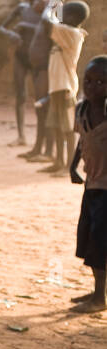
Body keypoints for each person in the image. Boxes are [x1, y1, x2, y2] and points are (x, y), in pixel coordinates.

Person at [70, 56, 107, 313]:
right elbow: (82, 139)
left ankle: (99, 298)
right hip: (92, 185)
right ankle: (97, 291)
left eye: (100, 82)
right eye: (88, 81)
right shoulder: (82, 110)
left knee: (100, 242)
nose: (92, 86)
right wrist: (72, 165)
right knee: (88, 238)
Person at [0, 0, 50, 147]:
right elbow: (1, 27)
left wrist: (25, 26)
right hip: (21, 56)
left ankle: (41, 140)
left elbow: (52, 31)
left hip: (38, 60)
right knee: (20, 95)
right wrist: (10, 34)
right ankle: (21, 136)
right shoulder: (22, 8)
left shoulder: (47, 11)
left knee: (40, 100)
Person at [41, 0, 89, 174]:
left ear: (73, 17)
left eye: (64, 13)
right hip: (57, 87)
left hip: (66, 87)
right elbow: (52, 23)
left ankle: (70, 164)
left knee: (68, 128)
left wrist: (51, 5)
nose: (61, 17)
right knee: (56, 126)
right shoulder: (65, 31)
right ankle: (59, 161)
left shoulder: (72, 33)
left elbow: (47, 21)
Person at [21, 0, 66, 161]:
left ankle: (48, 152)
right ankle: (39, 148)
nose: (34, 3)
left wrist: (52, 4)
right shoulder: (43, 18)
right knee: (41, 111)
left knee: (46, 110)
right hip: (40, 70)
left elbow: (55, 25)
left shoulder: (55, 15)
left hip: (47, 71)